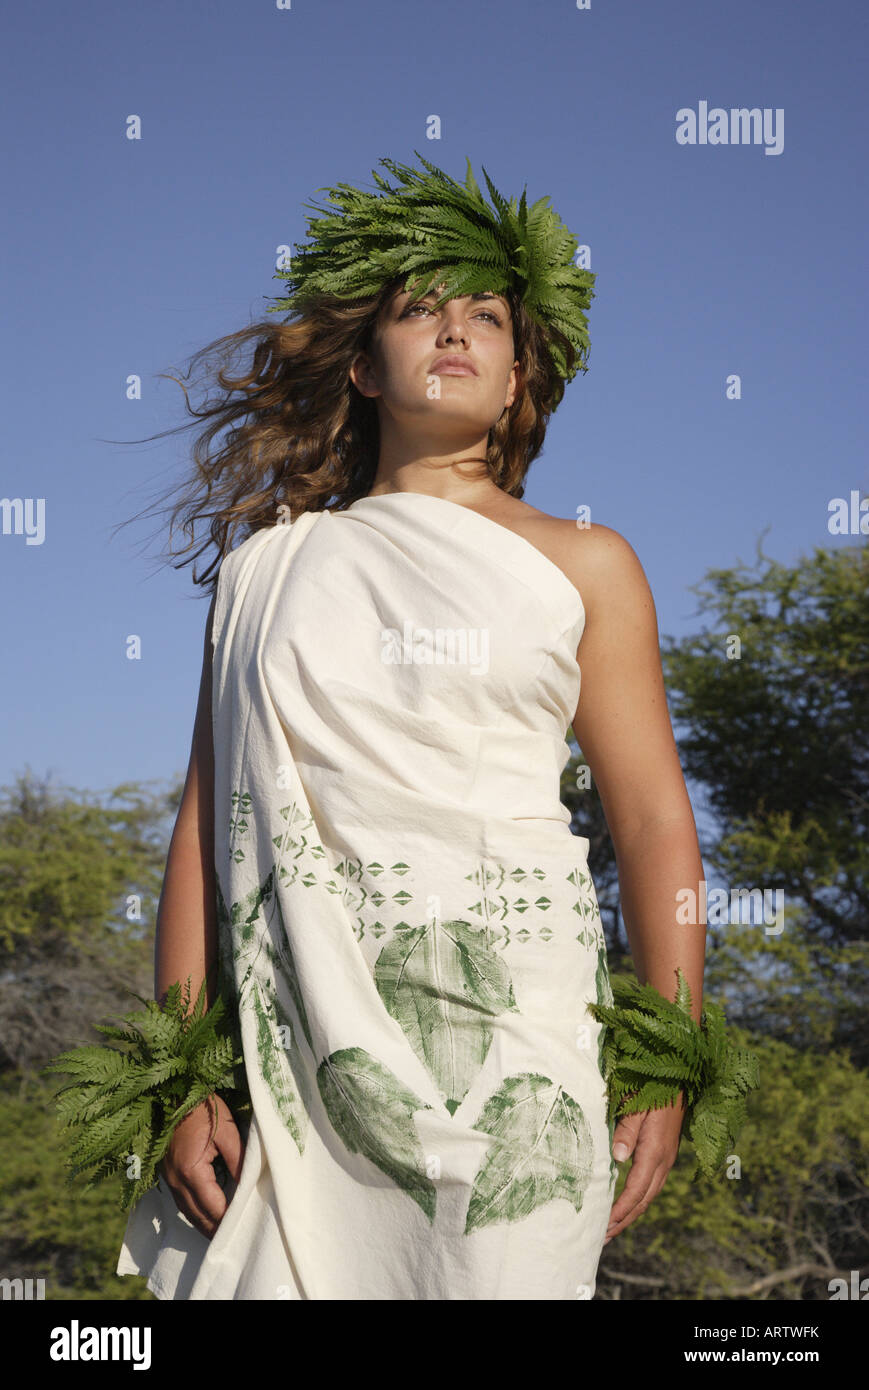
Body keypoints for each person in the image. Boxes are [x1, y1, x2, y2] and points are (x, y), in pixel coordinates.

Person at [116, 153, 706, 1300]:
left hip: (516, 1038)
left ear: (519, 379)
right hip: (296, 1052)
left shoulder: (585, 562)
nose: (453, 331)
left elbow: (647, 821)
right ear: (361, 366)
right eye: (418, 310)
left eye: (484, 315)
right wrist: (181, 1073)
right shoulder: (269, 568)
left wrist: (666, 1059)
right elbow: (205, 821)